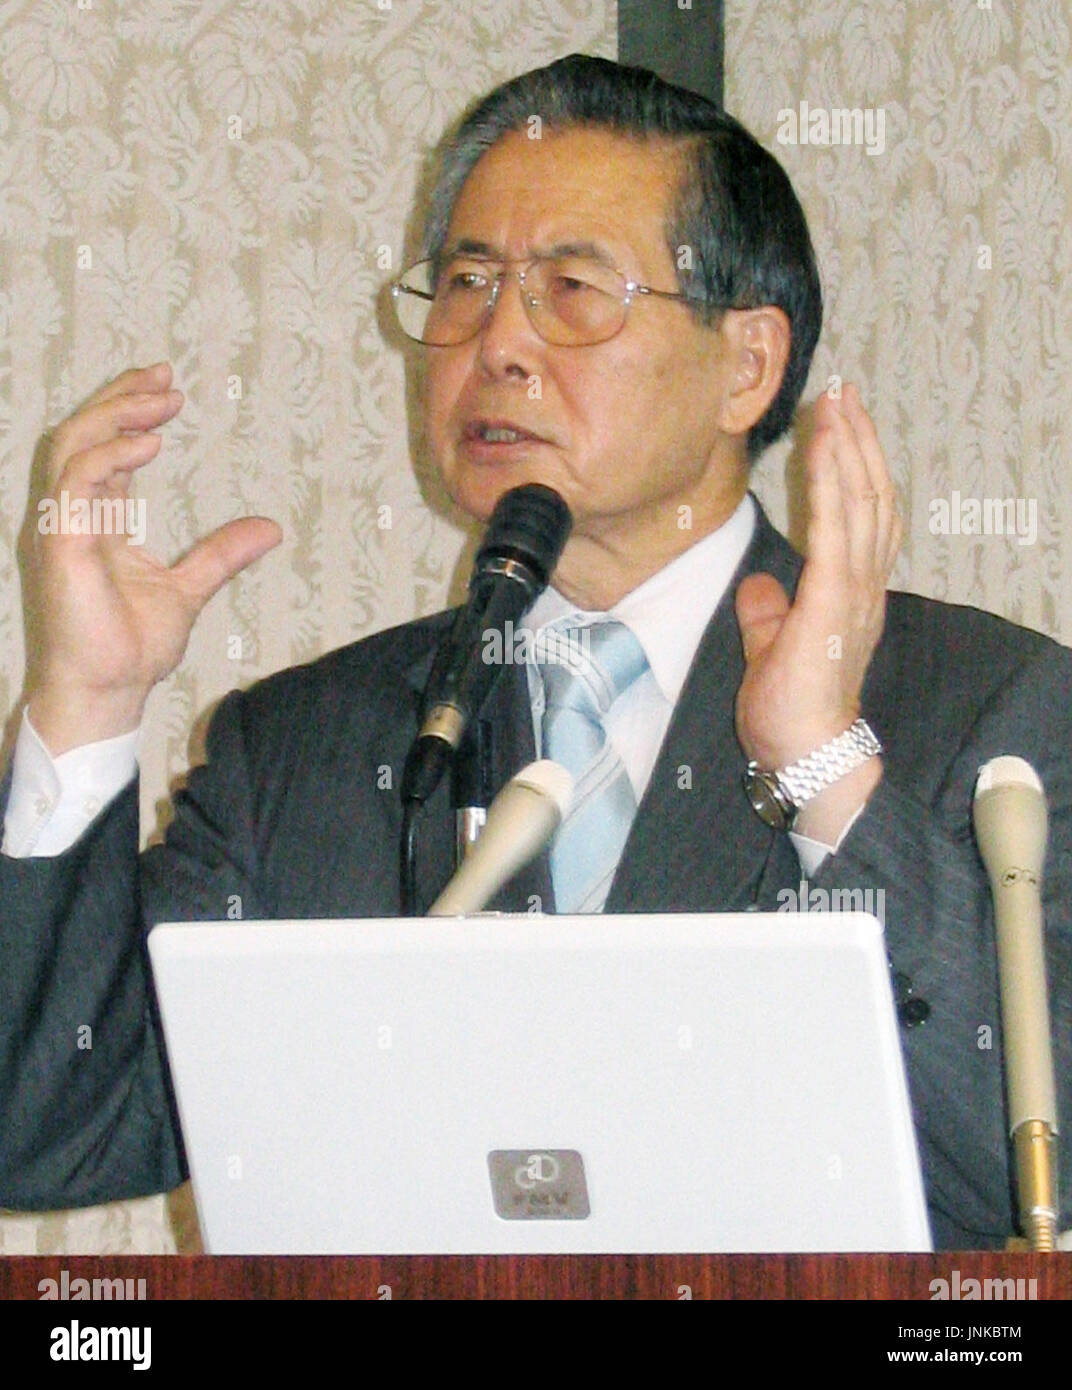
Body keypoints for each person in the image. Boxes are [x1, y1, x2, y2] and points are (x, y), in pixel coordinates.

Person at [1, 55, 1069, 1251]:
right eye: (466, 282)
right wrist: (84, 706)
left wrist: (824, 769)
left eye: (571, 286)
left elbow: (1037, 1181)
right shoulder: (301, 746)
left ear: (747, 363)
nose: (497, 341)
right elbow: (54, 1128)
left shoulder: (989, 709)